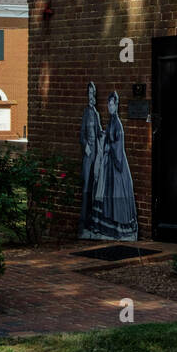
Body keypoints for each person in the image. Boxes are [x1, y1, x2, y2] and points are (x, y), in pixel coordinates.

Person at [93, 90, 138, 240]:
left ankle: (119, 228)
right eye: (109, 104)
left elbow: (117, 145)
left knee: (116, 193)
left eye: (112, 104)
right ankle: (108, 226)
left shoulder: (117, 123)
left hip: (117, 165)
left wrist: (108, 147)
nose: (110, 107)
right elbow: (110, 137)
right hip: (110, 163)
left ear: (117, 105)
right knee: (108, 194)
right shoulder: (111, 121)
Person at [78, 82, 105, 237]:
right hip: (89, 153)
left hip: (97, 153)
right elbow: (81, 134)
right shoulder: (86, 112)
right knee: (86, 187)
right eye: (89, 93)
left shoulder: (96, 113)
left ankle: (92, 220)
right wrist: (86, 145)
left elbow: (99, 130)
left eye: (93, 94)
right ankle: (83, 222)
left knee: (95, 186)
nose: (91, 96)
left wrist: (104, 134)